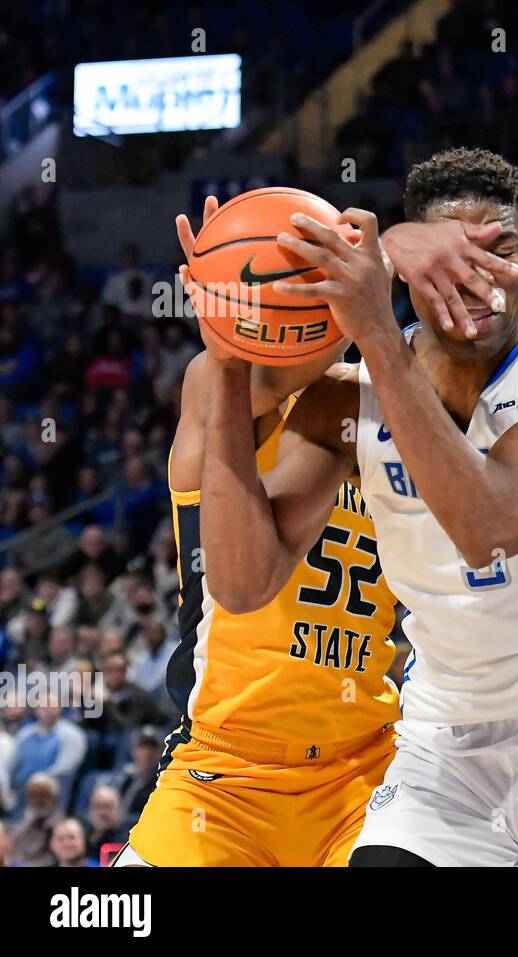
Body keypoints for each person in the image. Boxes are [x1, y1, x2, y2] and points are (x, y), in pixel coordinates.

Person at [196, 148, 518, 867]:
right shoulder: (349, 398)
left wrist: (377, 330)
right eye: (447, 258)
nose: (475, 277)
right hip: (441, 750)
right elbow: (242, 583)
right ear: (408, 274)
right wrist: (229, 359)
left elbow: (491, 528)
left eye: (500, 251)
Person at [116, 196, 401, 868]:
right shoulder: (217, 388)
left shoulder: (387, 407)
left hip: (366, 767)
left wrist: (367, 297)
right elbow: (277, 363)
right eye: (296, 282)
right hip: (223, 770)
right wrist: (236, 303)